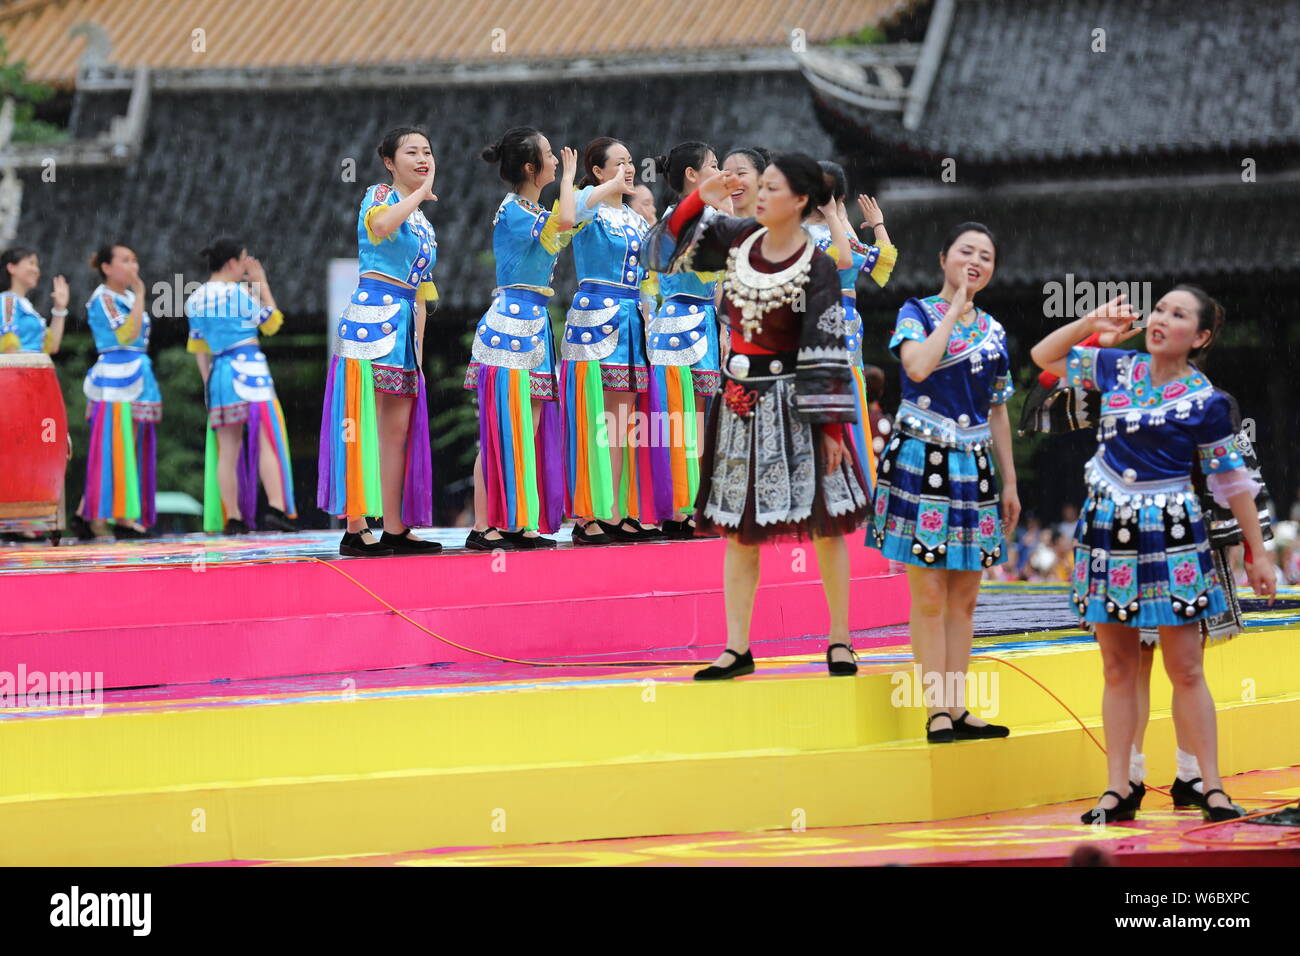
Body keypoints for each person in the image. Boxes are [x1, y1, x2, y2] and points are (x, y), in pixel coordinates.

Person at [1030, 286, 1275, 824]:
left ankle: (1211, 786)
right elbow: (1044, 357)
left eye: (1178, 314)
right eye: (1159, 309)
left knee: (1185, 668)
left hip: (1173, 533)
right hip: (1108, 528)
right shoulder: (1119, 368)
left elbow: (1233, 483)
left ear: (1201, 336)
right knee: (1118, 667)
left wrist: (1258, 553)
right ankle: (1117, 788)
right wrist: (1091, 323)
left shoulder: (1207, 402)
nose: (1162, 318)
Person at [645, 152, 871, 680]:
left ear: (800, 200)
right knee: (739, 529)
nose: (760, 194)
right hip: (741, 403)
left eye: (772, 187)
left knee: (825, 525)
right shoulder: (736, 239)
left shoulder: (817, 264)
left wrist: (831, 428)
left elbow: (825, 347)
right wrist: (698, 198)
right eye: (760, 185)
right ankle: (737, 646)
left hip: (799, 406)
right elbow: (660, 252)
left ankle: (840, 639)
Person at [869, 222, 1019, 742]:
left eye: (986, 256)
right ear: (943, 259)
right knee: (930, 595)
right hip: (921, 459)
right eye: (966, 252)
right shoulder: (916, 313)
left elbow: (998, 408)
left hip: (974, 467)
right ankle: (935, 708)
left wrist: (1010, 482)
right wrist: (953, 310)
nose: (975, 261)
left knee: (966, 598)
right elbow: (917, 367)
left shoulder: (995, 332)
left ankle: (958, 707)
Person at [318, 126, 441, 557]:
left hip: (403, 329)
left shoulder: (423, 221)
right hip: (369, 325)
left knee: (396, 432)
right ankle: (355, 527)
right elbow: (383, 226)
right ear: (389, 162)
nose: (423, 159)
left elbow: (423, 292)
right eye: (412, 152)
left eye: (427, 152)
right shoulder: (380, 195)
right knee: (361, 425)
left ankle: (394, 526)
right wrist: (419, 193)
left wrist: (419, 352)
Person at [463, 127, 578, 551]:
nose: (556, 159)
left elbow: (565, 223)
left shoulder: (532, 209)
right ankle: (483, 524)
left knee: (527, 429)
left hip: (534, 326)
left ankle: (517, 520)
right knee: (499, 431)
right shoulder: (514, 209)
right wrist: (570, 181)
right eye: (549, 154)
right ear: (531, 167)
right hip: (508, 328)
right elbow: (566, 221)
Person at [558, 137, 660, 544]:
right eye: (618, 164)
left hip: (632, 324)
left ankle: (615, 511)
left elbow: (648, 280)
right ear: (598, 171)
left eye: (630, 162)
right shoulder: (589, 208)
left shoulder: (636, 220)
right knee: (594, 420)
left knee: (622, 423)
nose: (628, 169)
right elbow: (569, 214)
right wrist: (605, 187)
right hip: (594, 321)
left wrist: (650, 322)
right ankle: (587, 515)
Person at [184, 237, 297, 534]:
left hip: (219, 374)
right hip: (250, 370)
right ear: (232, 262)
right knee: (266, 440)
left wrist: (208, 384)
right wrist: (262, 285)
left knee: (228, 449)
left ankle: (233, 516)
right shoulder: (237, 294)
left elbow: (198, 348)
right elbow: (272, 323)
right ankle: (276, 508)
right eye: (244, 260)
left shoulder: (194, 300)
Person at [644, 141, 726, 537]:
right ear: (692, 175)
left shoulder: (705, 215)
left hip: (702, 321)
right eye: (713, 165)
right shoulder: (682, 218)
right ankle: (681, 508)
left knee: (700, 420)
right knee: (682, 419)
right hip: (680, 325)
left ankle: (696, 504)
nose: (720, 172)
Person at [805, 161, 897, 486]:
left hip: (844, 322)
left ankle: (847, 479)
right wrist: (849, 219)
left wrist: (873, 223)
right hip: (818, 319)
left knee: (844, 390)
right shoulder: (804, 234)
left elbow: (879, 262)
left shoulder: (827, 231)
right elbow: (855, 260)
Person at [76, 243, 160, 538]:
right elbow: (126, 334)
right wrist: (141, 294)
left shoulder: (126, 297)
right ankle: (116, 517)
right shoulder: (104, 298)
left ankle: (89, 513)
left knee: (128, 445)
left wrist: (137, 296)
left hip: (137, 372)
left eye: (134, 260)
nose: (133, 266)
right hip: (115, 378)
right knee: (115, 445)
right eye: (125, 260)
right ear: (107, 268)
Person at [1, 247, 68, 355]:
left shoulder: (25, 305)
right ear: (11, 268)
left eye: (37, 266)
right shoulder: (7, 300)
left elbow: (52, 347)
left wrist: (59, 308)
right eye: (31, 263)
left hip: (35, 365)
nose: (37, 270)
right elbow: (8, 348)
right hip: (20, 365)